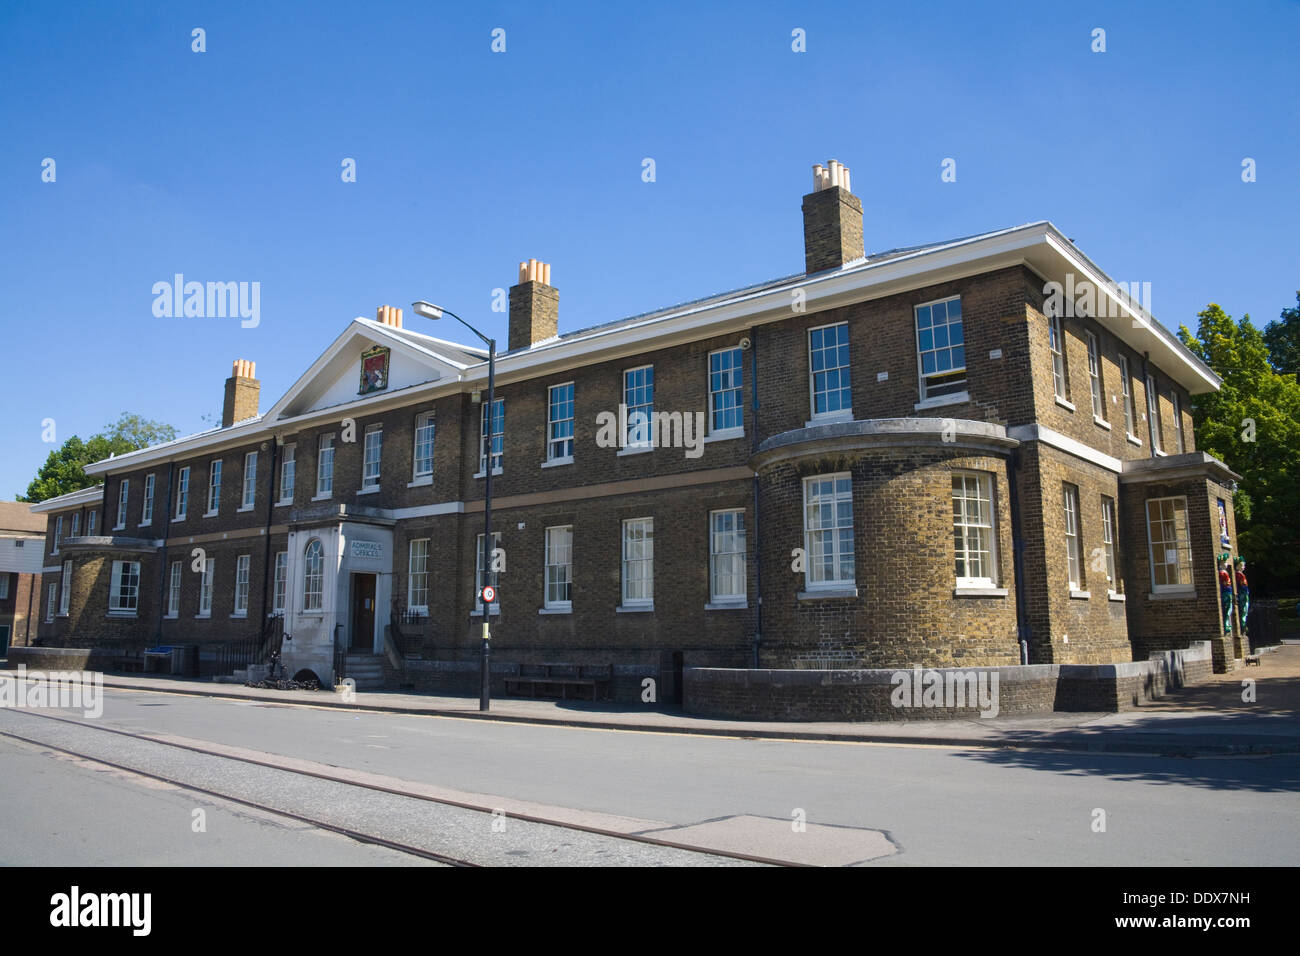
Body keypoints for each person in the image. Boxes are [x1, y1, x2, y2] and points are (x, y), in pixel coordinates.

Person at [1218, 554, 1234, 635]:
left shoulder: (1225, 572)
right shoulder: (1221, 573)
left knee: (1229, 608)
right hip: (1226, 592)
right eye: (1224, 562)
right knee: (1227, 608)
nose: (1226, 564)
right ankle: (1226, 625)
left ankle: (1228, 625)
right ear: (1221, 564)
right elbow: (1224, 583)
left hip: (1228, 592)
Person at [1235, 557, 1251, 631]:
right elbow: (1241, 585)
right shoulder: (1238, 575)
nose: (1243, 567)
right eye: (1242, 565)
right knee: (1243, 609)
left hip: (1245, 594)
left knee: (1245, 609)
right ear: (1238, 566)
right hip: (1242, 594)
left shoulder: (1241, 574)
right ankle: (1243, 624)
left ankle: (1244, 623)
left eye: (1244, 565)